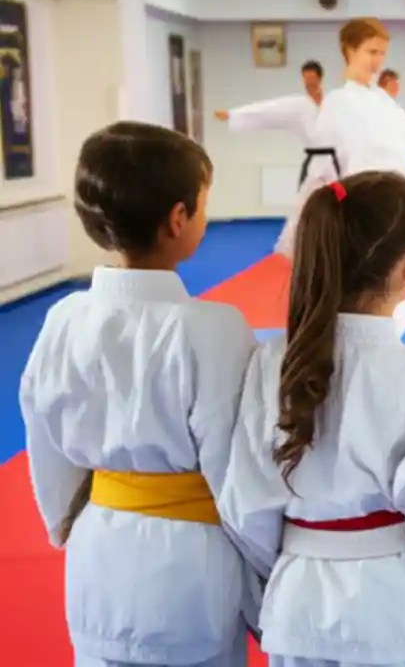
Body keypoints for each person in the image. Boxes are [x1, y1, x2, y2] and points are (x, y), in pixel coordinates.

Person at [219, 171, 405, 667]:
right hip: (391, 600)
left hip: (297, 598)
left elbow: (244, 505)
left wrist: (297, 554)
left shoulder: (270, 364)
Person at [19, 122, 257, 666]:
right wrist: (264, 562)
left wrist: (69, 525)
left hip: (98, 549)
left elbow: (46, 443)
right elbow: (235, 471)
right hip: (191, 564)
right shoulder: (214, 328)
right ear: (178, 219)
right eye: (202, 205)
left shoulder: (63, 320)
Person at [315, 17, 405, 337]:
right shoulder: (338, 102)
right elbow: (325, 168)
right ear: (349, 50)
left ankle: (390, 348)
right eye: (370, 51)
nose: (377, 61)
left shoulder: (382, 101)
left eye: (382, 53)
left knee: (401, 285)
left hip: (399, 202)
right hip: (361, 205)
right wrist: (338, 205)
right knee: (365, 289)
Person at [214, 60, 333, 256]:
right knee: (304, 205)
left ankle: (339, 245)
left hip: (335, 165)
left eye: (312, 79)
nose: (308, 83)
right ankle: (295, 248)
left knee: (343, 200)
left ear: (320, 78)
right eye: (305, 79)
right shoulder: (298, 105)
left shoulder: (333, 104)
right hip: (314, 164)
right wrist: (234, 114)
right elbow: (270, 110)